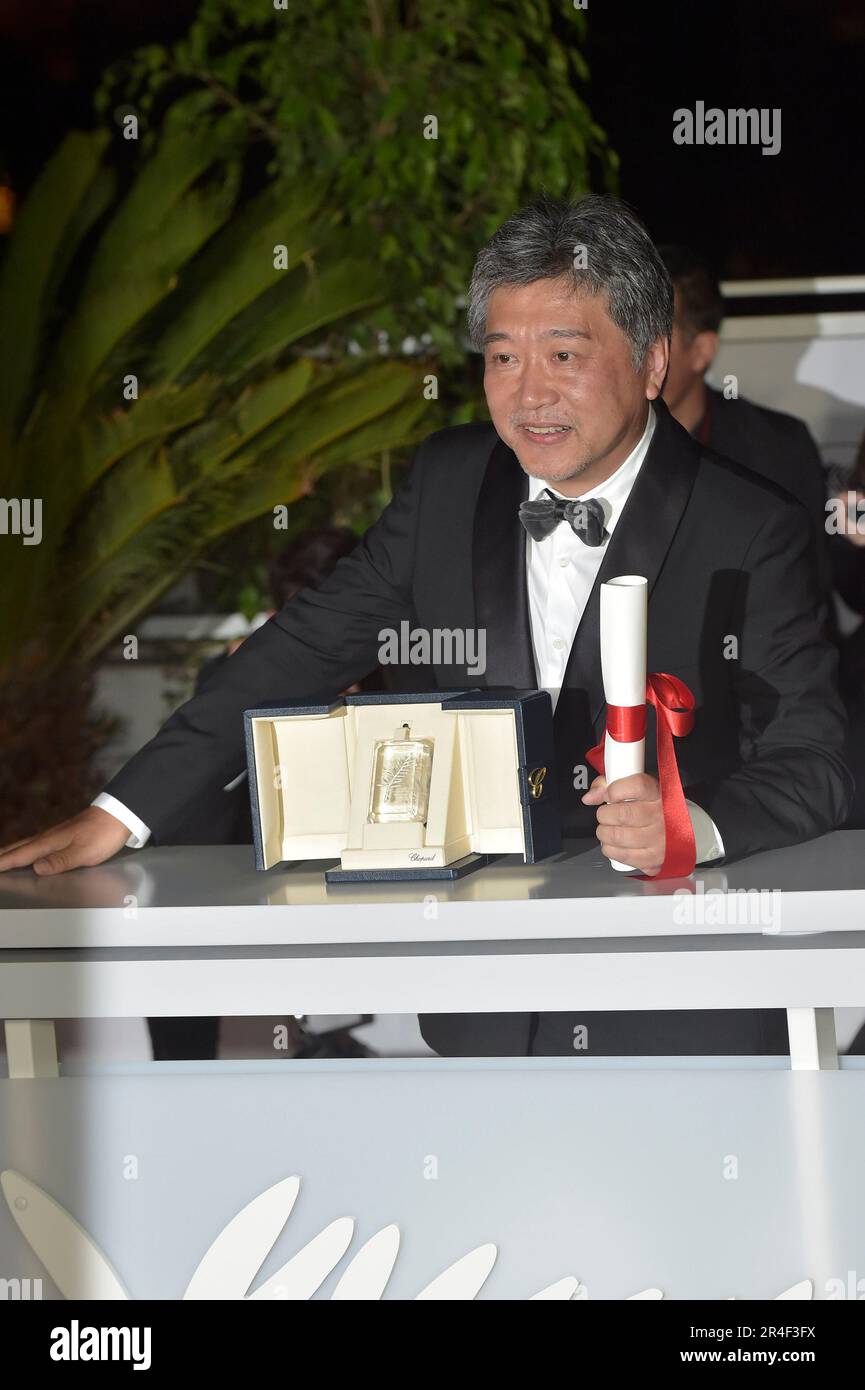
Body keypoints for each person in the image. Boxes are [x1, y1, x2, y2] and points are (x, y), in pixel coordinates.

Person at [1, 195, 852, 1059]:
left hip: (682, 988)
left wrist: (692, 826)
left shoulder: (750, 525)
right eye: (502, 357)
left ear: (651, 361)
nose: (529, 394)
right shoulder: (449, 482)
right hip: (480, 981)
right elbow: (301, 647)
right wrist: (124, 808)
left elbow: (814, 756)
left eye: (564, 354)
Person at [658, 244, 830, 596]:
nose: (635, 352)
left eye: (657, 335)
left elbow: (814, 586)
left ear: (701, 351)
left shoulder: (778, 446)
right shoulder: (594, 442)